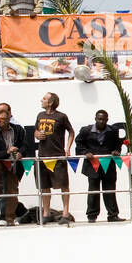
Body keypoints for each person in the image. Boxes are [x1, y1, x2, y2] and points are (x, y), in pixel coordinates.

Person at [75, 109, 123, 222]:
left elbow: (118, 143)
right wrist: (85, 152)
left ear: (107, 119)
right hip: (92, 164)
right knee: (93, 191)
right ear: (95, 119)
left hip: (108, 164)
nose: (101, 121)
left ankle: (113, 215)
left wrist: (116, 150)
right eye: (99, 119)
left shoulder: (113, 130)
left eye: (103, 119)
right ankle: (91, 215)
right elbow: (79, 142)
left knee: (110, 190)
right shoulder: (86, 130)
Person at [34, 92, 75, 224]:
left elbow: (71, 132)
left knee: (63, 185)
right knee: (44, 186)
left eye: (44, 99)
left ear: (50, 102)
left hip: (57, 156)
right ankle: (46, 213)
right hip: (42, 156)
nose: (41, 100)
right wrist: (36, 135)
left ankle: (65, 212)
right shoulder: (40, 115)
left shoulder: (61, 116)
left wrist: (67, 148)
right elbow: (35, 130)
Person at [0, 105, 26, 225]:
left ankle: (9, 218)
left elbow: (25, 145)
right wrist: (7, 152)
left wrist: (20, 153)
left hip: (14, 164)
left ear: (9, 118)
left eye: (2, 119)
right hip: (1, 163)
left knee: (12, 190)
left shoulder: (18, 130)